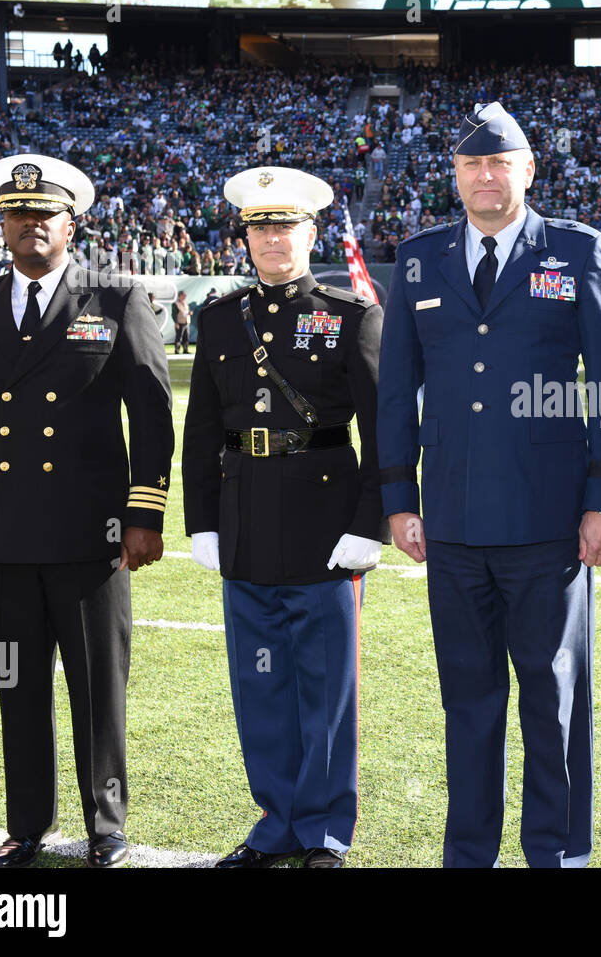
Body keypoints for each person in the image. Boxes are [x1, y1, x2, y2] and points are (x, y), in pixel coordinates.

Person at [376, 102, 601, 867]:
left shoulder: (578, 252)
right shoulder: (419, 259)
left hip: (550, 521)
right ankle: (470, 852)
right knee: (469, 703)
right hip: (450, 520)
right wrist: (398, 498)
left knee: (554, 703)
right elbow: (395, 391)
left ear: (528, 169)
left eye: (500, 163)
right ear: (456, 177)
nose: (486, 177)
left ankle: (556, 853)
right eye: (471, 166)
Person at [0, 154, 173, 868]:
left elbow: (152, 416)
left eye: (43, 214)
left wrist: (145, 512)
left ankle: (107, 823)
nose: (29, 225)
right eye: (15, 214)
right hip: (5, 529)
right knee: (17, 686)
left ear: (72, 223)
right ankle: (26, 824)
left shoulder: (116, 298)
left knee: (98, 690)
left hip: (91, 534)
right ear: (0, 224)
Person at [182, 167, 387, 870]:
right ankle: (275, 822)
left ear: (311, 232)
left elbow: (385, 429)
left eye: (286, 225)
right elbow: (201, 430)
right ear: (245, 236)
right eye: (260, 226)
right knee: (261, 684)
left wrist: (372, 524)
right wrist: (201, 523)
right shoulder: (218, 319)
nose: (273, 237)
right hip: (243, 519)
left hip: (327, 525)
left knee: (326, 688)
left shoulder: (352, 316)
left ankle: (325, 829)